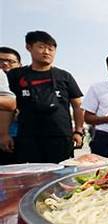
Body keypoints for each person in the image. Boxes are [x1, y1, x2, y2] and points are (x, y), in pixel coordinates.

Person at [6, 31, 84, 163]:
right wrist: (3, 134)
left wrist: (78, 132)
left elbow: (78, 106)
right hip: (28, 137)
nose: (46, 52)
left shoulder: (64, 76)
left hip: (60, 136)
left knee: (60, 176)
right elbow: (7, 106)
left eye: (51, 49)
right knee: (30, 178)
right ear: (29, 47)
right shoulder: (16, 75)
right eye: (41, 47)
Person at [0, 47, 22, 165]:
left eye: (10, 61)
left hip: (18, 137)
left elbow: (10, 104)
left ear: (19, 64)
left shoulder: (26, 82)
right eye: (0, 60)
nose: (4, 64)